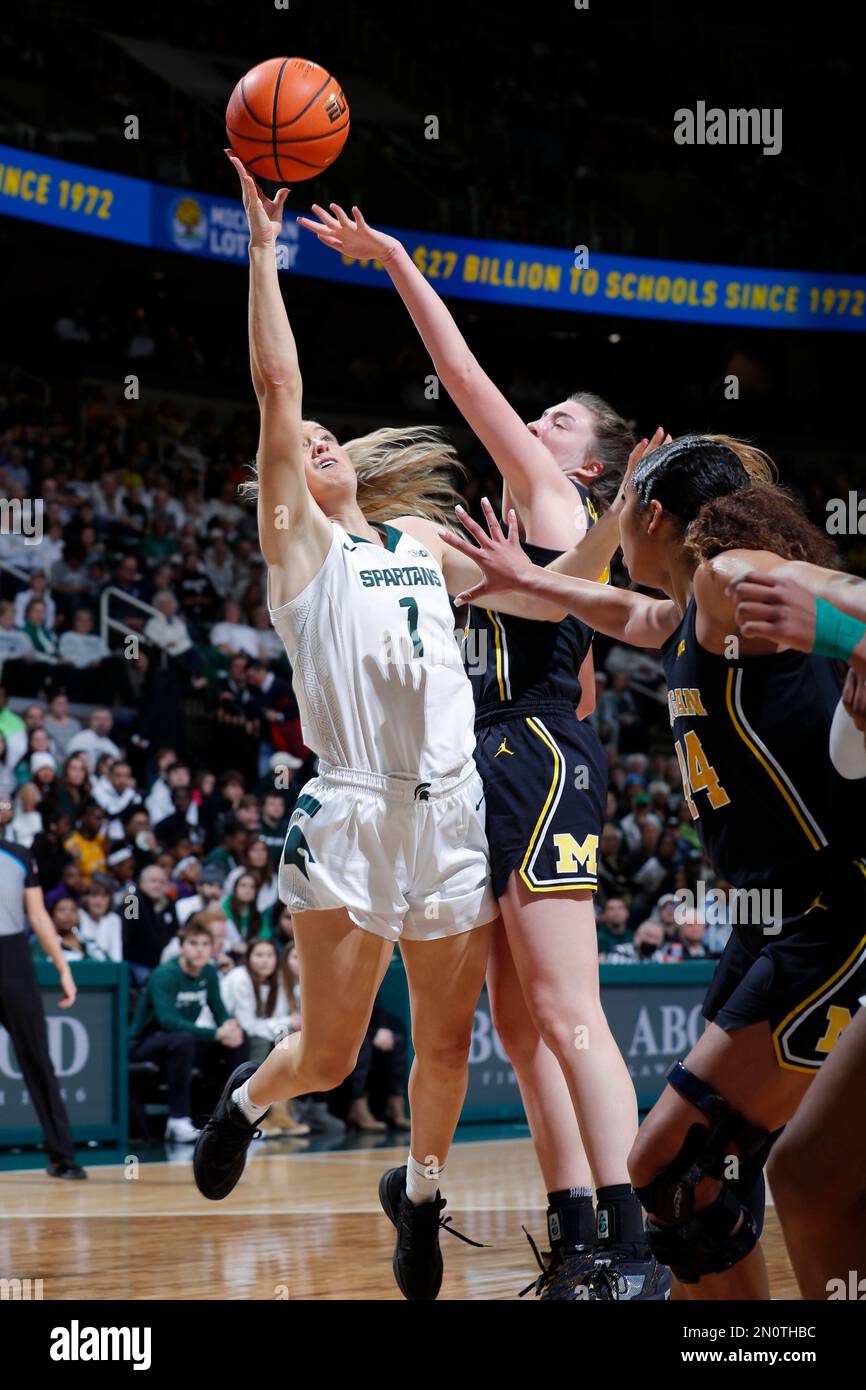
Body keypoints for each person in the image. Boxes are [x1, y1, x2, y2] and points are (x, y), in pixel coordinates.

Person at [193, 156, 556, 1301]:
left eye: (326, 438)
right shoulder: (301, 550)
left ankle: (424, 1190)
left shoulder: (423, 550)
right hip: (347, 806)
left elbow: (553, 590)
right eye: (300, 449)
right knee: (337, 1052)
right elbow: (273, 386)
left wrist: (617, 517)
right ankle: (247, 1100)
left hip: (451, 806)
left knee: (444, 1048)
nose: (316, 444)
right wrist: (265, 252)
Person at [299, 200, 669, 1298]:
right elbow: (588, 663)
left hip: (535, 759)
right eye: (540, 413)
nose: (535, 423)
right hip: (482, 768)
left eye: (556, 417)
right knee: (517, 1027)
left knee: (564, 1013)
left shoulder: (552, 496)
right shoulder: (503, 541)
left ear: (590, 466)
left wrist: (398, 262)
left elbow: (460, 378)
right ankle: (578, 1236)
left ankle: (631, 1242)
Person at [443, 432, 866, 1299]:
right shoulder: (686, 612)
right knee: (700, 1183)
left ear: (652, 515)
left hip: (834, 911)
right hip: (771, 921)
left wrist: (846, 630)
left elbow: (847, 593)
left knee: (675, 1164)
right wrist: (526, 580)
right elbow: (622, 615)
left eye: (618, 512)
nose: (607, 533)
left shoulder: (724, 576)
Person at [0, 795, 86, 1178]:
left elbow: (37, 915)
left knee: (37, 1057)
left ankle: (62, 1156)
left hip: (13, 958)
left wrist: (62, 967)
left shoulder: (19, 854)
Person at [129, 920, 248, 1143]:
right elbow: (168, 1021)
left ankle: (233, 1116)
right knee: (183, 1039)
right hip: (143, 1043)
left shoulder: (209, 973)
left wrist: (231, 1027)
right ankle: (177, 1120)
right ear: (182, 947)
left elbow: (219, 1010)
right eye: (193, 943)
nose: (200, 949)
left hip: (182, 1042)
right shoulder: (165, 974)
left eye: (205, 944)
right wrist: (215, 1034)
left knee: (240, 1040)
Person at [219, 936, 310, 1136]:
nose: (264, 960)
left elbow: (278, 1020)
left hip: (257, 1032)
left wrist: (287, 1025)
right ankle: (253, 1110)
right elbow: (248, 1025)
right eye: (259, 955)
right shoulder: (240, 977)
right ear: (248, 958)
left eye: (269, 955)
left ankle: (279, 1107)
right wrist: (287, 1021)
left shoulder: (277, 980)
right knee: (264, 1038)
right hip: (225, 1033)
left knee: (287, 1037)